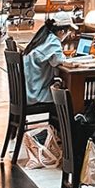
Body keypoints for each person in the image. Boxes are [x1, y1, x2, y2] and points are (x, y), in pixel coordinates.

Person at [22, 11, 74, 163]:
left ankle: (57, 135)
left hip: (28, 90)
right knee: (68, 99)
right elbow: (59, 61)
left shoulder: (42, 38)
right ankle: (67, 140)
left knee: (61, 92)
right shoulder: (53, 42)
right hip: (36, 93)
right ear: (62, 31)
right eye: (68, 31)